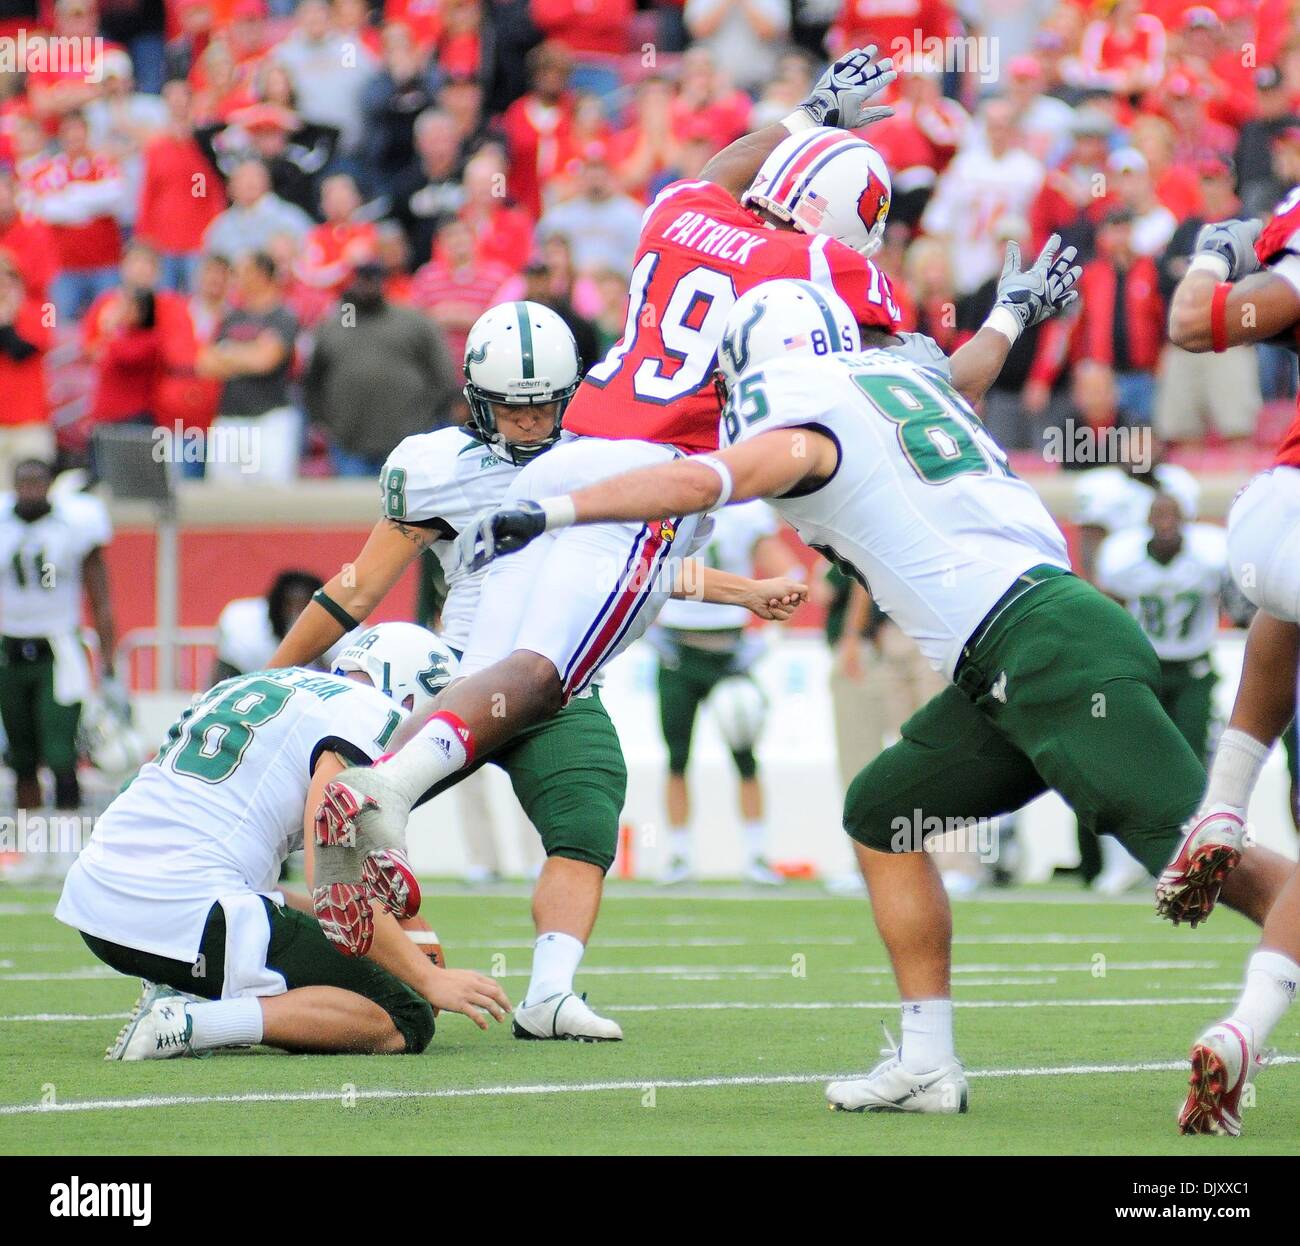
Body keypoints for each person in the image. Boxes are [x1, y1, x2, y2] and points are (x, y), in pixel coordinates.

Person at [461, 277, 1294, 1116]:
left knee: (1208, 864)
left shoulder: (802, 423)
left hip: (1045, 651)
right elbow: (968, 372)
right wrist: (1010, 312)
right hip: (1017, 656)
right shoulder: (896, 383)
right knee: (884, 813)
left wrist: (555, 509)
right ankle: (929, 1062)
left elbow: (702, 483)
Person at [279, 46, 908, 947]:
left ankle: (385, 816)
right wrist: (1003, 322)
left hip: (578, 458)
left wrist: (810, 115)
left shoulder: (684, 210)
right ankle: (380, 792)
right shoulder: (823, 265)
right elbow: (906, 366)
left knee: (503, 684)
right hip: (650, 476)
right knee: (546, 680)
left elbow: (719, 168)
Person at [269, 300, 806, 1037]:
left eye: (544, 404)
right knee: (339, 799)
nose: (529, 421)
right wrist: (270, 674)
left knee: (587, 815)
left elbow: (638, 566)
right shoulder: (436, 467)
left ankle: (549, 993)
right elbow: (360, 586)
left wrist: (742, 589)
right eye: (511, 407)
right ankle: (255, 919)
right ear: (477, 398)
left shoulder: (603, 457)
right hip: (458, 673)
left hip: (560, 679)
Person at [55, 623, 512, 1060]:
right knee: (406, 1013)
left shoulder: (258, 686)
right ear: (414, 695)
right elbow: (333, 878)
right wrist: (428, 981)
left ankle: (180, 984)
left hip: (98, 900)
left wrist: (394, 935)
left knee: (304, 934)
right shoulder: (375, 715)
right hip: (187, 908)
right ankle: (194, 1022)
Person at [1165, 194, 1300, 1133]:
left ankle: (1223, 800)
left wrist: (1215, 253)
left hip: (1272, 517)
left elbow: (1196, 318)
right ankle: (1247, 1029)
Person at [1091, 492, 1230, 896]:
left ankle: (1192, 859)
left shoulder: (1210, 555)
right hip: (1146, 670)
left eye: (1173, 516)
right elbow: (1110, 606)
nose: (1166, 523)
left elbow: (1237, 598)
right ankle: (1125, 863)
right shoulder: (1123, 559)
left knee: (1190, 765)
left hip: (1192, 670)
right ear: (1147, 521)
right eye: (1159, 516)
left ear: (1187, 519)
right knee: (1130, 760)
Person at [651, 499, 791, 885]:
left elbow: (788, 574)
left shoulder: (746, 513)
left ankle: (756, 855)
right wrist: (648, 628)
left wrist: (768, 635)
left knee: (745, 756)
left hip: (730, 651)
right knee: (676, 757)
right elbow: (637, 567)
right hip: (677, 649)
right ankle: (679, 856)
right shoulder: (670, 507)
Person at [0, 460, 118, 820]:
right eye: (24, 482)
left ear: (51, 485)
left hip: (59, 648)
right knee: (20, 754)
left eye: (38, 482)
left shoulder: (75, 523)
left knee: (60, 751)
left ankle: (66, 840)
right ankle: (31, 840)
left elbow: (99, 594)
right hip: (9, 648)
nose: (30, 490)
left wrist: (109, 656)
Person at [304, 260, 460, 477]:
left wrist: (428, 420)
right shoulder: (334, 326)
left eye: (373, 280)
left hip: (407, 442)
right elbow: (312, 382)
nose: (367, 286)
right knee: (352, 509)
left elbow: (443, 376)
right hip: (349, 442)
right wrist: (327, 423)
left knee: (403, 508)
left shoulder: (413, 321)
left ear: (384, 283)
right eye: (361, 280)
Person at [196, 250, 300, 483]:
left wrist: (229, 352)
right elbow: (205, 363)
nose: (235, 279)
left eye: (242, 273)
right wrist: (250, 352)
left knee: (272, 499)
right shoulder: (231, 317)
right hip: (229, 419)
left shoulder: (283, 316)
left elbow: (266, 361)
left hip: (270, 419)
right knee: (221, 495)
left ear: (261, 275)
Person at [212, 569, 352, 684]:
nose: (295, 613)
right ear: (277, 605)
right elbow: (224, 677)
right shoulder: (244, 625)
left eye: (303, 605)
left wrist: (320, 651)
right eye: (289, 605)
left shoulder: (341, 629)